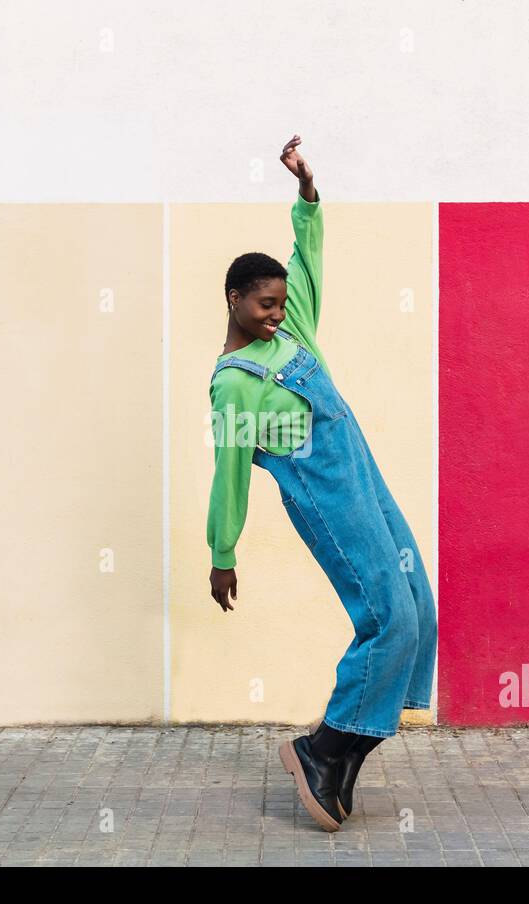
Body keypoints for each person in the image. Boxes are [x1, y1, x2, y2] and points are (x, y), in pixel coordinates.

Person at [206, 135, 438, 831]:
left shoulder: (295, 331)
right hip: (327, 502)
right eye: (263, 305)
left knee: (419, 610)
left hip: (365, 483)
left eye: (279, 303)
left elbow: (308, 259)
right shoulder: (231, 386)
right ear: (233, 299)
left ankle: (337, 758)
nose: (275, 313)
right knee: (386, 619)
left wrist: (307, 193)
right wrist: (223, 552)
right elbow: (228, 475)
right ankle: (321, 750)